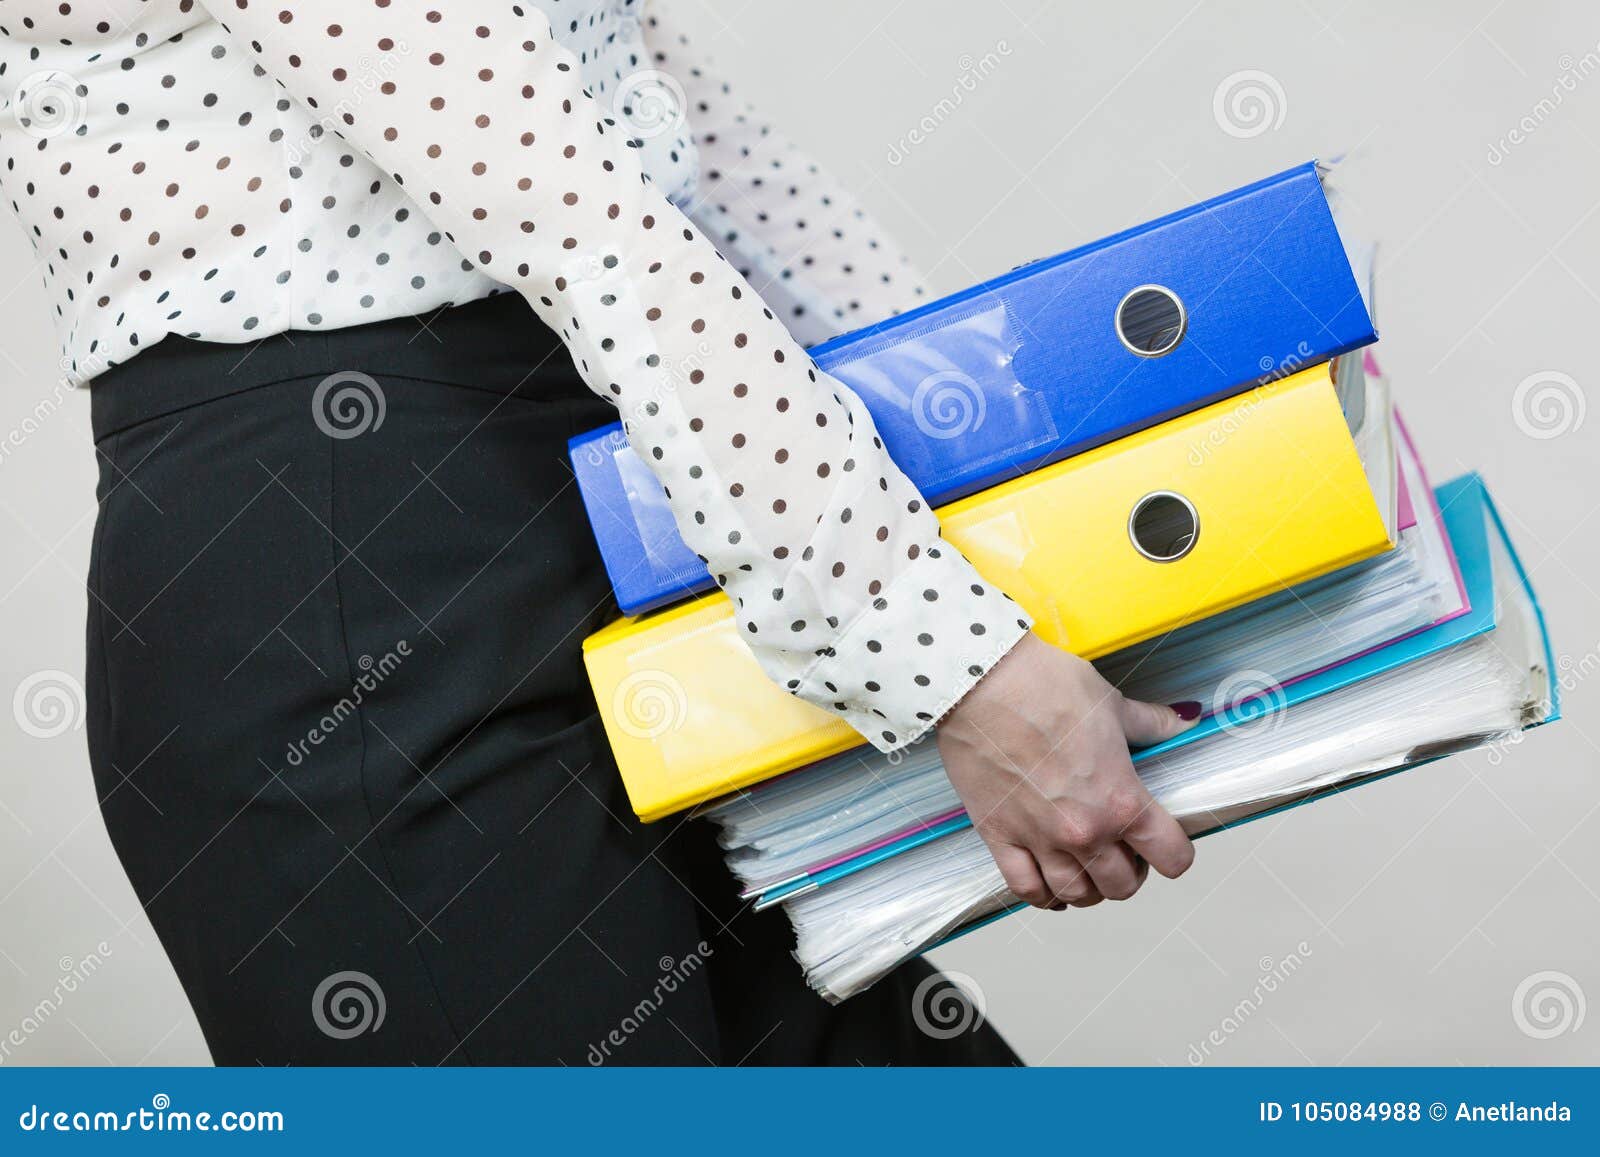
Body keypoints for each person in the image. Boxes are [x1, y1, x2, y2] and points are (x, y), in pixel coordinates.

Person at [0, 0, 1198, 1065]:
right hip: (345, 589)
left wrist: (1019, 513)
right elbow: (567, 202)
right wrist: (950, 655)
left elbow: (699, 157)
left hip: (641, 518)